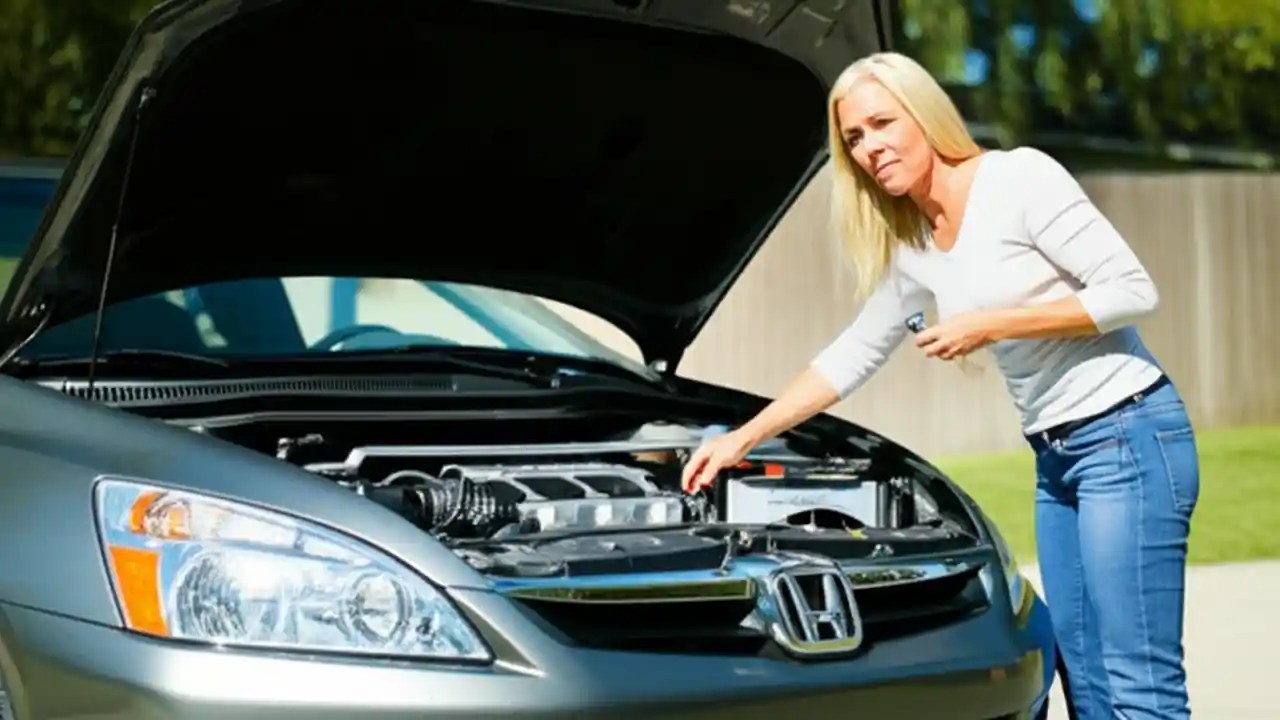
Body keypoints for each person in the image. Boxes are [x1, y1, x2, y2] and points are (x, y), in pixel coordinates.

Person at [680, 51, 1198, 720]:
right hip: (1057, 457)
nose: (869, 148)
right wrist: (742, 437)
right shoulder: (914, 245)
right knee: (1084, 675)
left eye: (881, 123)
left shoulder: (1018, 180)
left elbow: (1133, 292)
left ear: (923, 115)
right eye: (854, 139)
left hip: (1127, 435)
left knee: (1136, 680)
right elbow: (852, 353)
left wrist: (990, 324)